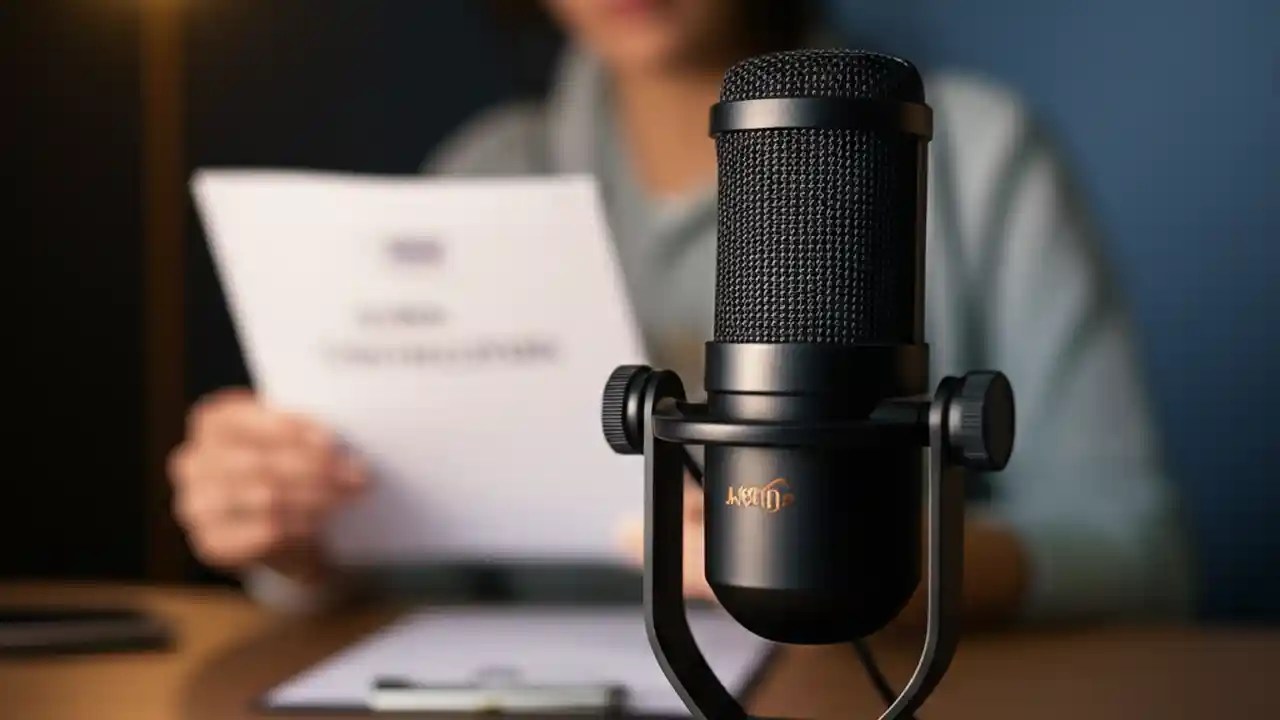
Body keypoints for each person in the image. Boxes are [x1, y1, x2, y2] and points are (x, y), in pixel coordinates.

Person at [169, 0, 1192, 625]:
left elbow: (1133, 549)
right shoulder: (488, 172)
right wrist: (298, 534)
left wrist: (875, 568)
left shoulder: (974, 153)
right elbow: (419, 560)